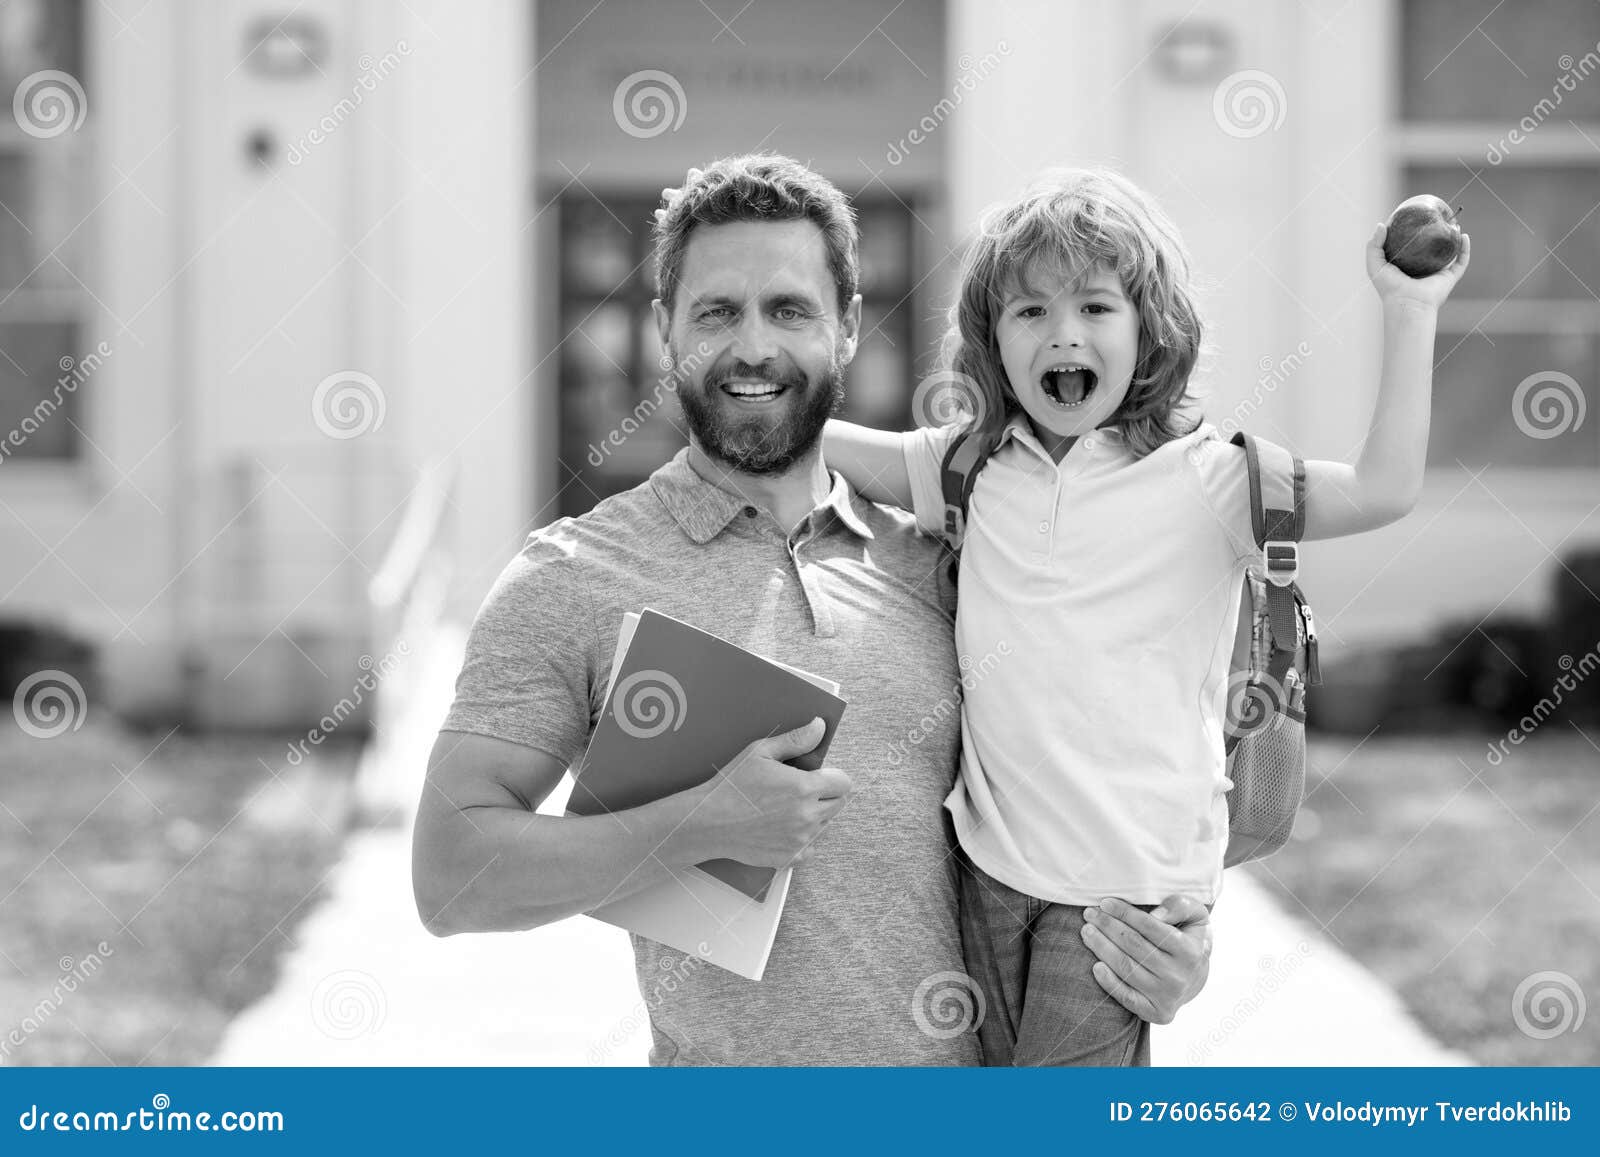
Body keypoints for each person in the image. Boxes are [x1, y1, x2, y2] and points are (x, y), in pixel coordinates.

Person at [411, 154, 1213, 1066]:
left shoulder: (950, 561)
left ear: (848, 328)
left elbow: (1110, 761)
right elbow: (451, 875)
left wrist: (1159, 942)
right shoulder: (575, 574)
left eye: (790, 309)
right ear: (665, 331)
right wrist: (702, 823)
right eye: (717, 311)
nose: (754, 345)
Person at [824, 168, 1470, 1065]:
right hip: (983, 870)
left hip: (1120, 903)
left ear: (1148, 331)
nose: (1064, 333)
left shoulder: (1210, 481)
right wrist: (734, 392)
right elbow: (829, 447)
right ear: (991, 341)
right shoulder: (973, 467)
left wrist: (1411, 308)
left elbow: (1385, 488)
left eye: (1096, 307)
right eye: (1030, 312)